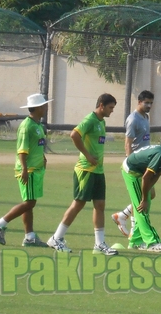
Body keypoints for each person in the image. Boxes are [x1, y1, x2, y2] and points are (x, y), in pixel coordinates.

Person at [47, 94, 118, 255]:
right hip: (86, 170)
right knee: (78, 204)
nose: (112, 111)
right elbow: (74, 135)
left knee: (100, 206)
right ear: (101, 105)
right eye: (110, 107)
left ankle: (99, 244)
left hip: (98, 170)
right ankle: (56, 238)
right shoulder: (90, 120)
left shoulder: (101, 121)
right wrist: (87, 155)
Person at [0, 93, 53, 247]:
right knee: (30, 203)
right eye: (44, 105)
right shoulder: (27, 126)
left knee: (29, 202)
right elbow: (22, 150)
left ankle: (30, 237)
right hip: (28, 170)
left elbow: (36, 145)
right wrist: (24, 169)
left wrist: (43, 158)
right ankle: (0, 223)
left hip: (35, 169)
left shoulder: (37, 125)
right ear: (38, 107)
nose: (46, 107)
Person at [111, 90, 154, 237]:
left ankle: (122, 216)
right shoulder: (133, 119)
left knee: (148, 195)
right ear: (139, 102)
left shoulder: (145, 117)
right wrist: (131, 163)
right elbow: (128, 144)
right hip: (136, 163)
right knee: (144, 196)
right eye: (146, 102)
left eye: (151, 103)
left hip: (145, 162)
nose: (149, 105)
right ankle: (136, 234)